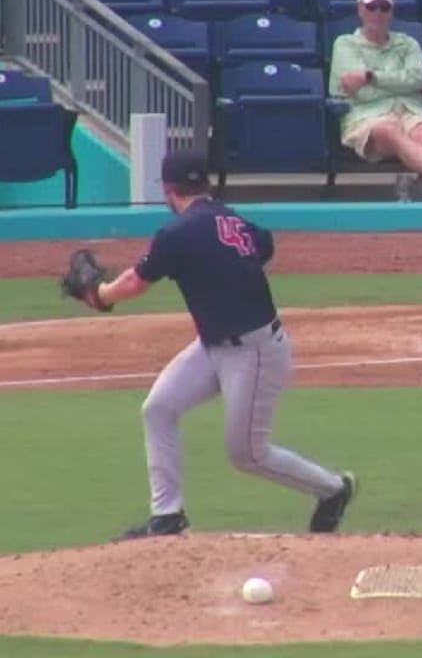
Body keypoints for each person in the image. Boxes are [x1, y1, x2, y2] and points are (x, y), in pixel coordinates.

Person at [90, 148, 357, 539]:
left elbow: (133, 283)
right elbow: (264, 247)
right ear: (206, 184)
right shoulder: (232, 220)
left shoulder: (176, 233)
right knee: (159, 408)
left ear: (168, 189)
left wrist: (100, 295)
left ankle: (333, 489)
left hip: (254, 352)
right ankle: (166, 516)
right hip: (213, 345)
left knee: (248, 454)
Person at [329, 0, 422, 198]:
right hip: (367, 116)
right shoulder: (345, 44)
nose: (378, 13)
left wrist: (370, 76)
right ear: (360, 9)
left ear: (391, 12)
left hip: (411, 109)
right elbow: (363, 94)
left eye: (384, 7)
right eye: (372, 7)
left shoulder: (407, 43)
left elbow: (419, 78)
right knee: (389, 129)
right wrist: (401, 83)